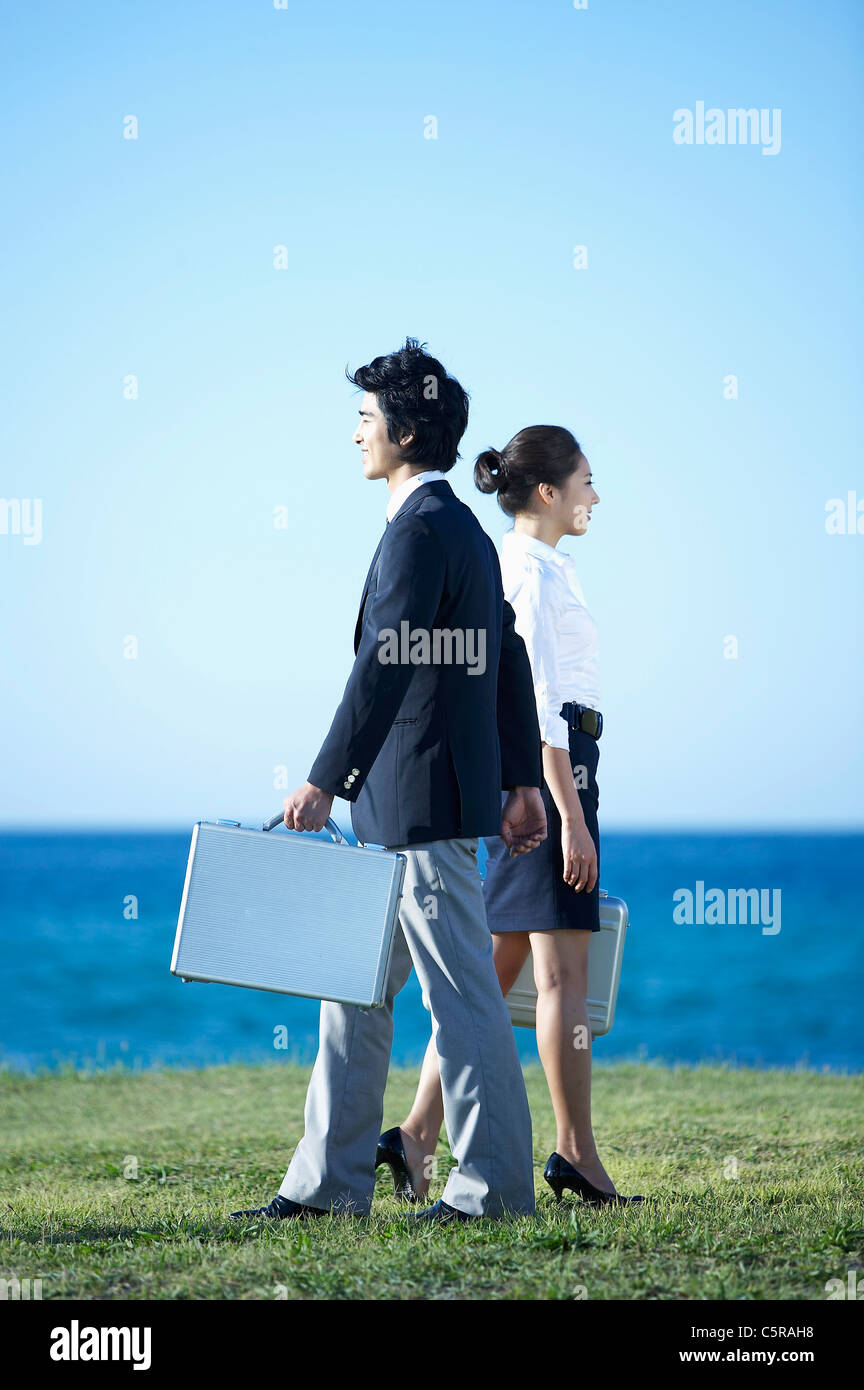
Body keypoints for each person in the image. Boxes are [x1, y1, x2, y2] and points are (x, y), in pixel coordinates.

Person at [229, 340, 548, 1225]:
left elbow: (386, 664)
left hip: (419, 804)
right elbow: (508, 661)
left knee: (463, 1002)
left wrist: (326, 777)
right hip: (404, 801)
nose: (356, 433)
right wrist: (521, 780)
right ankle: (329, 1188)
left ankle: (491, 1194)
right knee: (353, 988)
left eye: (366, 418)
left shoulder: (421, 531)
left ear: (407, 429)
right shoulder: (463, 532)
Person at [376, 425, 644, 1207]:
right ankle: (576, 1157)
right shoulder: (526, 568)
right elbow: (535, 703)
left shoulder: (544, 564)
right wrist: (570, 813)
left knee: (492, 970)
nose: (596, 497)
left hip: (550, 774)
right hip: (547, 779)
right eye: (588, 482)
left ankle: (416, 1135)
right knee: (562, 973)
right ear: (550, 492)